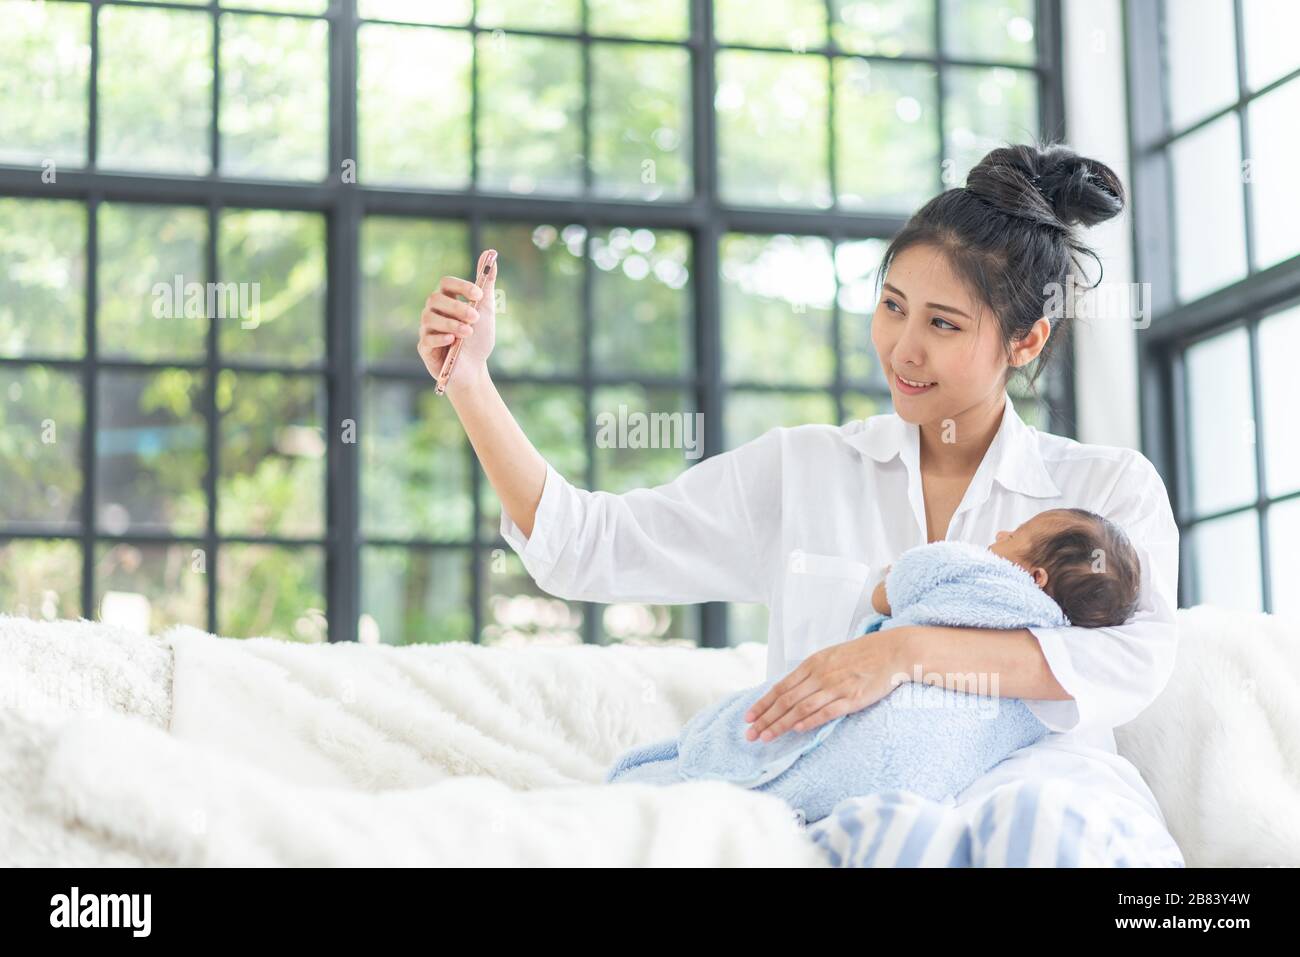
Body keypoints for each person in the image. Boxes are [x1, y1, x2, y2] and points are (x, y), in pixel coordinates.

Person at [416, 140, 1185, 867]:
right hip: (852, 815)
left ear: (1025, 341)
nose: (902, 348)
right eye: (892, 305)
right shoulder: (805, 468)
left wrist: (900, 651)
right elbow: (588, 545)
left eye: (943, 324)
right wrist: (473, 383)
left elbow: (1134, 657)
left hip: (1045, 800)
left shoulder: (1108, 488)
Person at [871, 507, 1142, 628]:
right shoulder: (1050, 627)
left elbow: (882, 598)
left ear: (1036, 577)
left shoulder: (975, 574)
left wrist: (899, 573)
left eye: (1013, 536)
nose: (1001, 534)